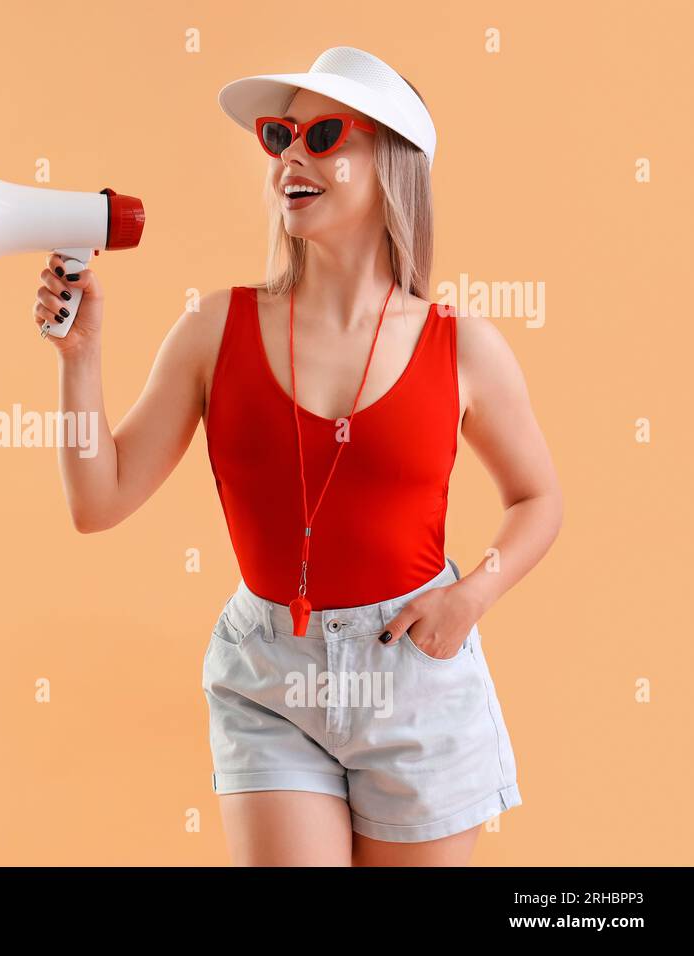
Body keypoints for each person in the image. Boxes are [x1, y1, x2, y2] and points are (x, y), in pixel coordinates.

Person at [32, 47, 562, 866]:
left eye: (322, 136)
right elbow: (96, 502)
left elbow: (538, 500)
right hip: (269, 674)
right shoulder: (213, 330)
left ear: (391, 163)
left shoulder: (464, 348)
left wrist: (470, 599)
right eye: (279, 136)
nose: (290, 159)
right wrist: (80, 360)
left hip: (413, 674)